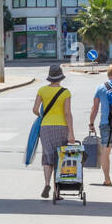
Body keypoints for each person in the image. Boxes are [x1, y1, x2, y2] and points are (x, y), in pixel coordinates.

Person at [31, 64, 75, 199]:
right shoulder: (65, 92)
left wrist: (42, 117)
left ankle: (46, 183)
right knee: (59, 157)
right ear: (60, 77)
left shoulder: (42, 90)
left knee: (47, 156)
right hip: (61, 126)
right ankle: (57, 191)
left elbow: (35, 109)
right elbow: (67, 113)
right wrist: (71, 133)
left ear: (50, 77)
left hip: (45, 127)